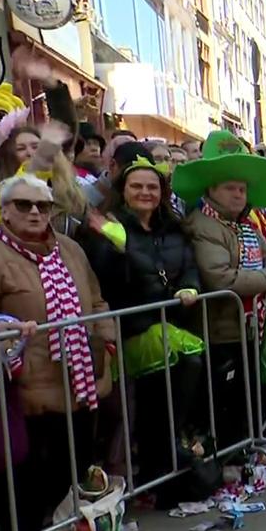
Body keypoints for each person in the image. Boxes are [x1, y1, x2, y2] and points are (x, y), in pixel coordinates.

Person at [0, 174, 116, 531]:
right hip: (26, 387)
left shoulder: (72, 250)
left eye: (42, 206)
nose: (34, 213)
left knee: (71, 463)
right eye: (23, 205)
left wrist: (107, 347)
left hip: (80, 379)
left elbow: (96, 301)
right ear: (4, 210)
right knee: (31, 472)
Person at [79, 158, 204, 488]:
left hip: (173, 324)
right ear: (124, 191)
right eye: (137, 186)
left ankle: (170, 456)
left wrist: (191, 286)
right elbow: (109, 278)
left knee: (180, 382)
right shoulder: (107, 227)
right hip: (132, 327)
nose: (145, 193)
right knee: (160, 391)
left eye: (152, 186)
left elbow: (189, 265)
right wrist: (119, 245)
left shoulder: (173, 226)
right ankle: (161, 461)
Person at [175, 131, 266, 449]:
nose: (239, 195)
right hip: (220, 331)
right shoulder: (202, 225)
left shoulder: (243, 224)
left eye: (242, 188)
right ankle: (228, 453)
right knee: (224, 400)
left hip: (247, 327)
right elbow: (220, 278)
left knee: (245, 394)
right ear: (211, 190)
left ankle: (244, 445)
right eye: (230, 188)